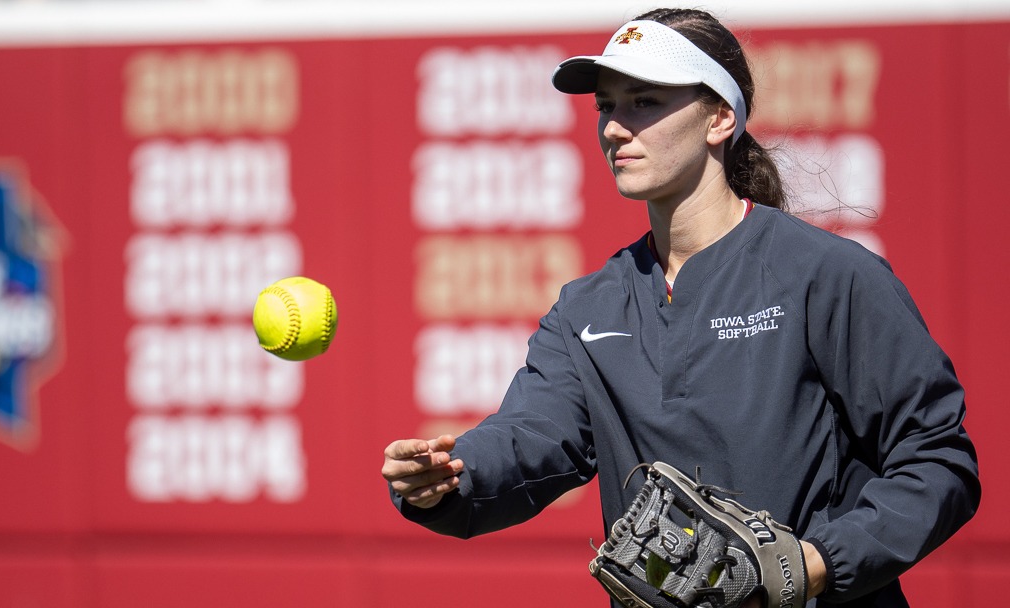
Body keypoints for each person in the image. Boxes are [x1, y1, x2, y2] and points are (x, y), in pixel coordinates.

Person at [381, 7, 981, 607]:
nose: (616, 128)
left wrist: (815, 564)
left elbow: (936, 461)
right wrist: (449, 475)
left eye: (643, 102)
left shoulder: (828, 275)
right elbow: (532, 437)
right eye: (606, 106)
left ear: (720, 118)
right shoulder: (586, 307)